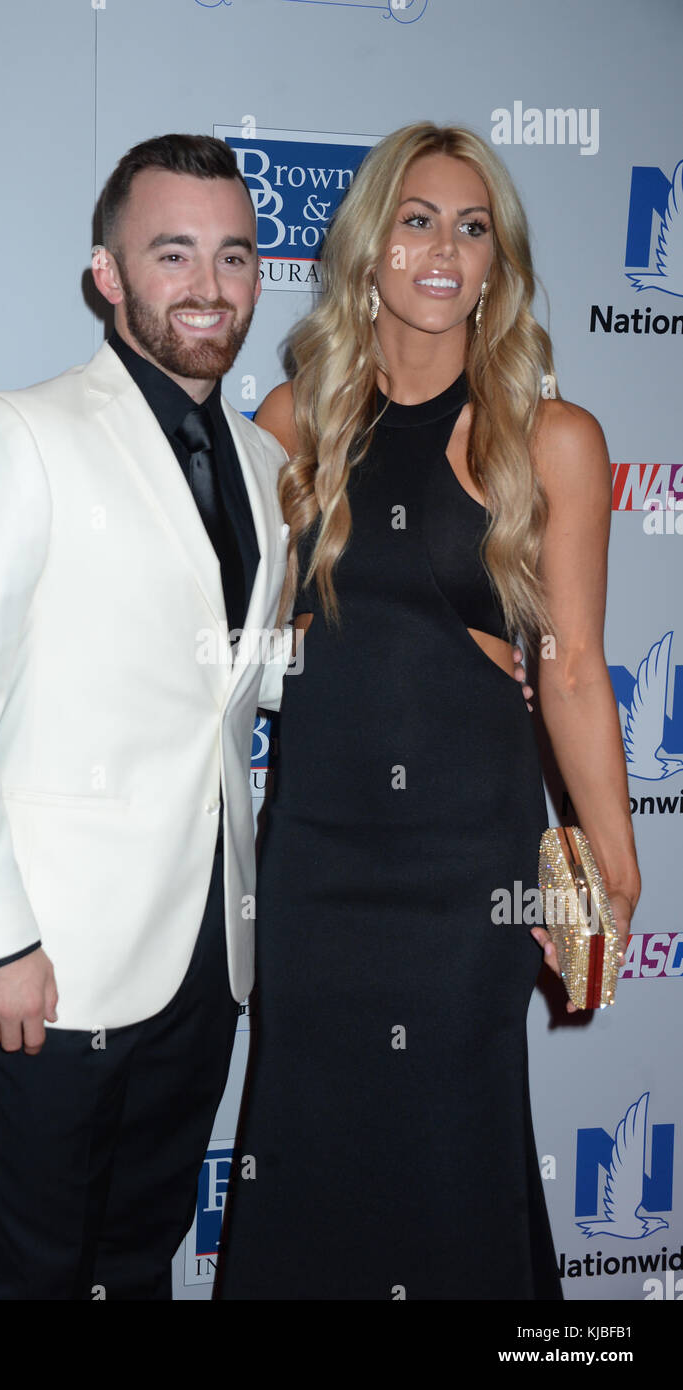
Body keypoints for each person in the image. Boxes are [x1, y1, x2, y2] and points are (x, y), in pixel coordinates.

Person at [216, 123, 640, 1301]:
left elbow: (572, 668)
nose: (444, 248)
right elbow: (227, 649)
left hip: (466, 872)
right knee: (305, 1145)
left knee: (454, 1153)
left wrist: (612, 865)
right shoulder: (294, 423)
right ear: (368, 251)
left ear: (498, 264)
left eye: (472, 226)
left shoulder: (552, 440)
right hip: (316, 864)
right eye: (416, 219)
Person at [0, 134, 291, 1300]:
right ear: (106, 275)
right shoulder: (22, 435)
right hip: (46, 963)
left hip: (206, 953)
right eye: (172, 254)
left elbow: (235, 682)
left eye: (234, 255)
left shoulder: (265, 466)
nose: (208, 287)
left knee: (134, 1259)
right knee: (30, 1270)